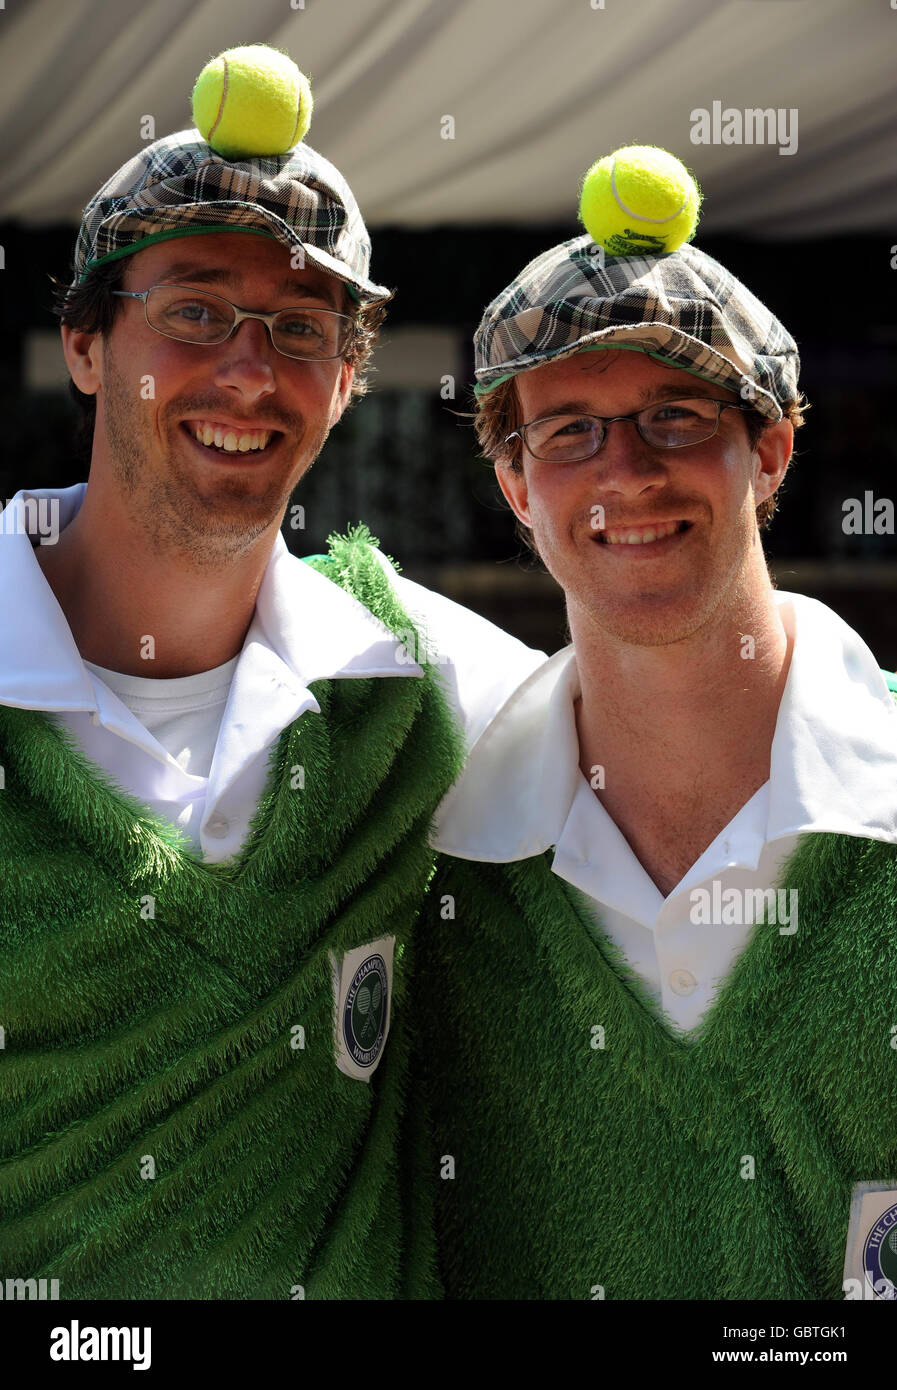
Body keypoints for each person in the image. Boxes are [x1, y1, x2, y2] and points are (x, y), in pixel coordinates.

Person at [0, 104, 544, 1297]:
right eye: (193, 310)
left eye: (301, 329)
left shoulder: (417, 682)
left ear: (349, 382)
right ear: (86, 342)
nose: (249, 373)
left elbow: (714, 751)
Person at [414, 219, 897, 1300]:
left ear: (768, 449)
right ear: (515, 487)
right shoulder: (427, 870)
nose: (624, 470)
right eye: (569, 430)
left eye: (674, 418)